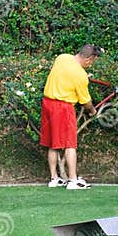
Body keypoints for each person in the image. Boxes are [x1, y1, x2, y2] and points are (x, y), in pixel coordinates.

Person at [40, 44, 103, 189]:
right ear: (89, 59)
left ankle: (54, 179)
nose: (92, 64)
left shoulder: (62, 58)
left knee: (52, 143)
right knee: (70, 144)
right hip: (63, 107)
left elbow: (65, 75)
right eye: (93, 61)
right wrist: (93, 111)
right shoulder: (80, 76)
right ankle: (73, 181)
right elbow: (86, 102)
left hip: (48, 104)